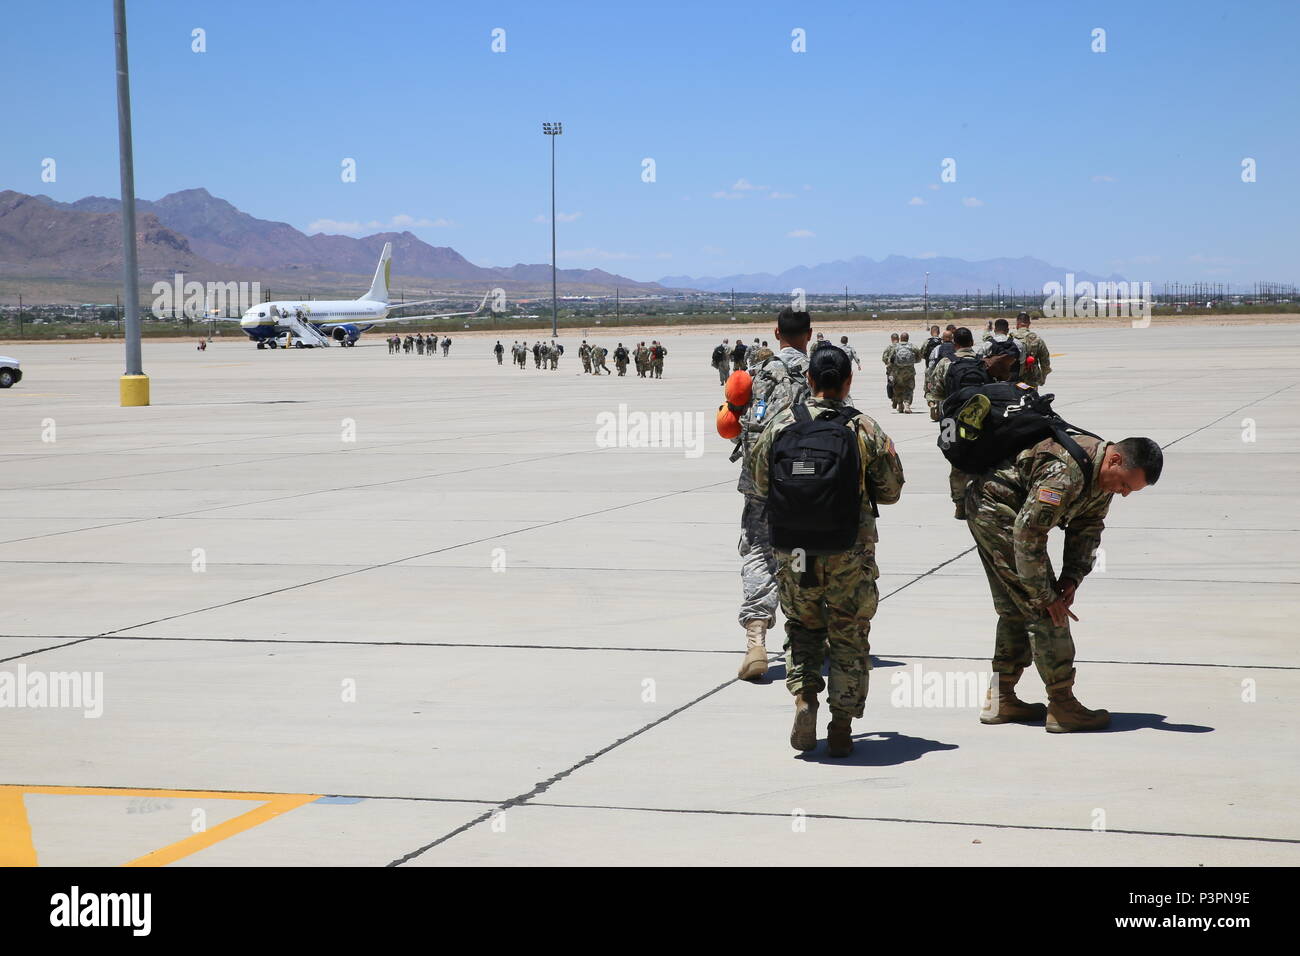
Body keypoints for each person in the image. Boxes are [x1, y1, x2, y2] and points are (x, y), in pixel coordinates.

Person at [750, 345, 905, 757]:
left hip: (796, 552)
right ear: (847, 382)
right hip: (848, 552)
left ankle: (805, 698)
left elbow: (759, 484)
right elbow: (890, 492)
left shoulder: (782, 423)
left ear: (810, 381)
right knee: (849, 635)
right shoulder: (864, 428)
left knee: (803, 629)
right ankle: (841, 724)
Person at [967, 435, 1163, 733]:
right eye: (1124, 485)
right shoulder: (1066, 473)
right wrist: (1046, 595)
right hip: (995, 510)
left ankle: (1001, 698)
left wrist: (1072, 577)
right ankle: (1062, 704)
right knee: (1045, 610)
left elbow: (1088, 528)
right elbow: (1028, 533)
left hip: (1012, 516)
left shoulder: (1103, 477)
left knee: (1015, 607)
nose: (1123, 494)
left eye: (1129, 491)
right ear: (1115, 460)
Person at [730, 307, 813, 683]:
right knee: (804, 556)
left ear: (776, 333)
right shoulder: (819, 371)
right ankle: (806, 642)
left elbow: (741, 424)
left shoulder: (761, 373)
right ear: (809, 335)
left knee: (759, 553)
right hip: (808, 484)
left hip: (762, 483)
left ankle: (756, 642)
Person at [930, 330, 1018, 517]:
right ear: (972, 341)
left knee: (956, 460)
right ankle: (983, 499)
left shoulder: (946, 363)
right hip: (981, 417)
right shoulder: (984, 362)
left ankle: (960, 504)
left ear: (954, 343)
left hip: (952, 420)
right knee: (984, 456)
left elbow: (936, 392)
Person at [1010, 312, 1051, 387]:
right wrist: (1042, 378)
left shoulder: (1010, 339)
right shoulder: (1037, 340)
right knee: (1031, 397)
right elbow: (1045, 362)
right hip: (1031, 378)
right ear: (1029, 323)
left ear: (1017, 323)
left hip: (1013, 379)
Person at [889, 332, 922, 413]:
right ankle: (907, 405)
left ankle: (900, 405)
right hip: (909, 372)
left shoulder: (896, 346)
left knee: (898, 387)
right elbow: (919, 358)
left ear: (900, 338)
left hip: (897, 372)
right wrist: (912, 362)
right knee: (909, 388)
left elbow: (890, 359)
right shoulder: (913, 346)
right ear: (908, 338)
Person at [881, 333, 899, 406]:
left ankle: (893, 398)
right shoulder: (901, 346)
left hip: (891, 371)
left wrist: (888, 363)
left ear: (891, 339)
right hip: (902, 370)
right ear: (899, 339)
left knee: (891, 384)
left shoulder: (889, 348)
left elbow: (884, 358)